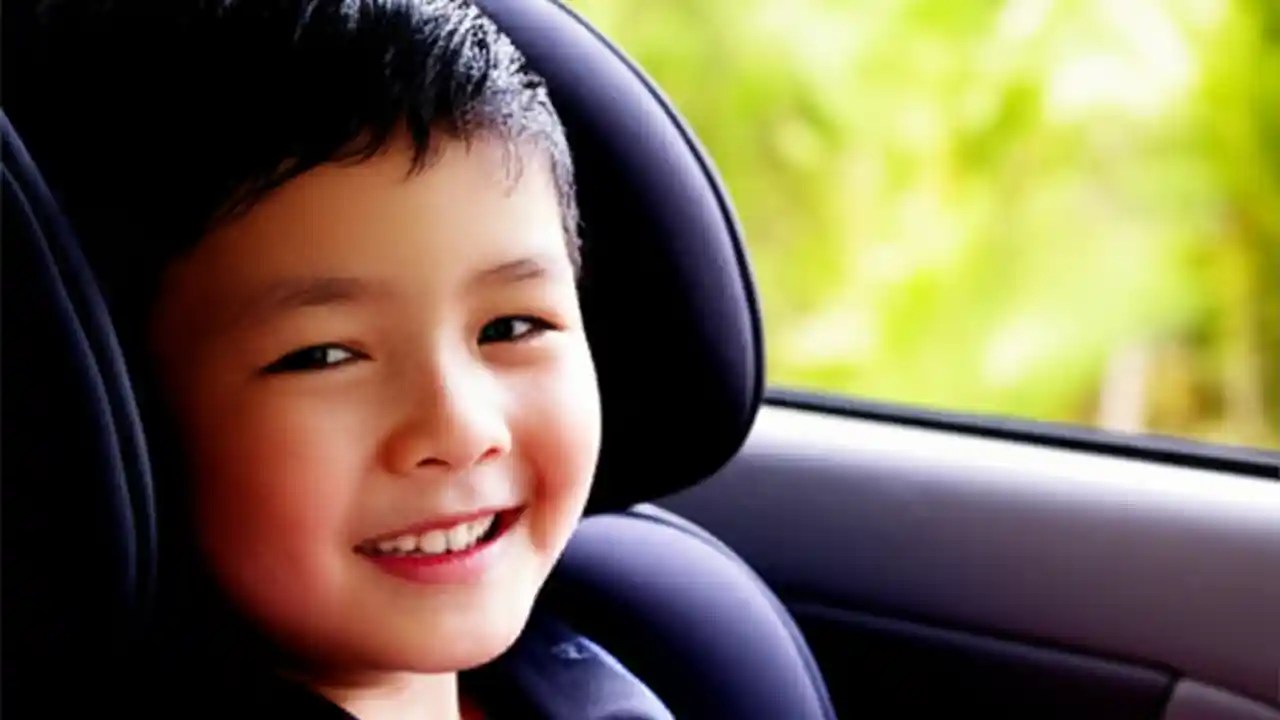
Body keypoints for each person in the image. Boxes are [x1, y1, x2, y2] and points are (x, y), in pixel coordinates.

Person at [15, 1, 671, 717]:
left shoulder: (668, 646)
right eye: (323, 356)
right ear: (132, 409)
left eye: (512, 326)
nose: (461, 430)